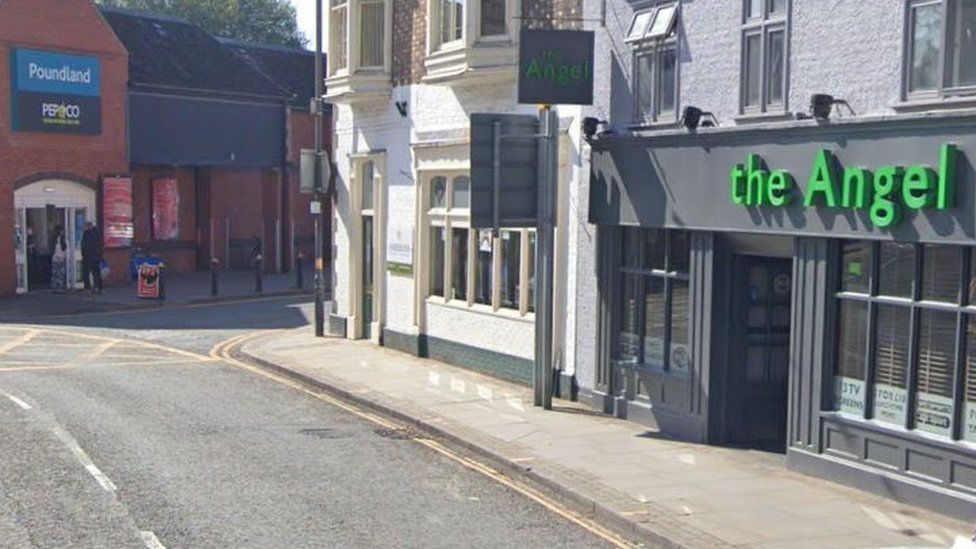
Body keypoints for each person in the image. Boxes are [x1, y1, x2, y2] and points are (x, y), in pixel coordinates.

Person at [81, 222, 103, 294]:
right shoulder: (97, 234)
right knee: (96, 273)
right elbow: (100, 245)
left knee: (86, 273)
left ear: (88, 227)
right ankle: (99, 287)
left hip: (88, 257)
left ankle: (88, 288)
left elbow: (85, 246)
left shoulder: (87, 234)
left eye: (85, 226)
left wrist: (84, 255)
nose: (84, 228)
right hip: (96, 256)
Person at [50, 225, 68, 292]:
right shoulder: (61, 239)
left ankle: (57, 286)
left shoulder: (56, 239)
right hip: (58, 257)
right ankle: (58, 286)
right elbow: (64, 248)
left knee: (57, 272)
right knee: (59, 272)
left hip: (57, 257)